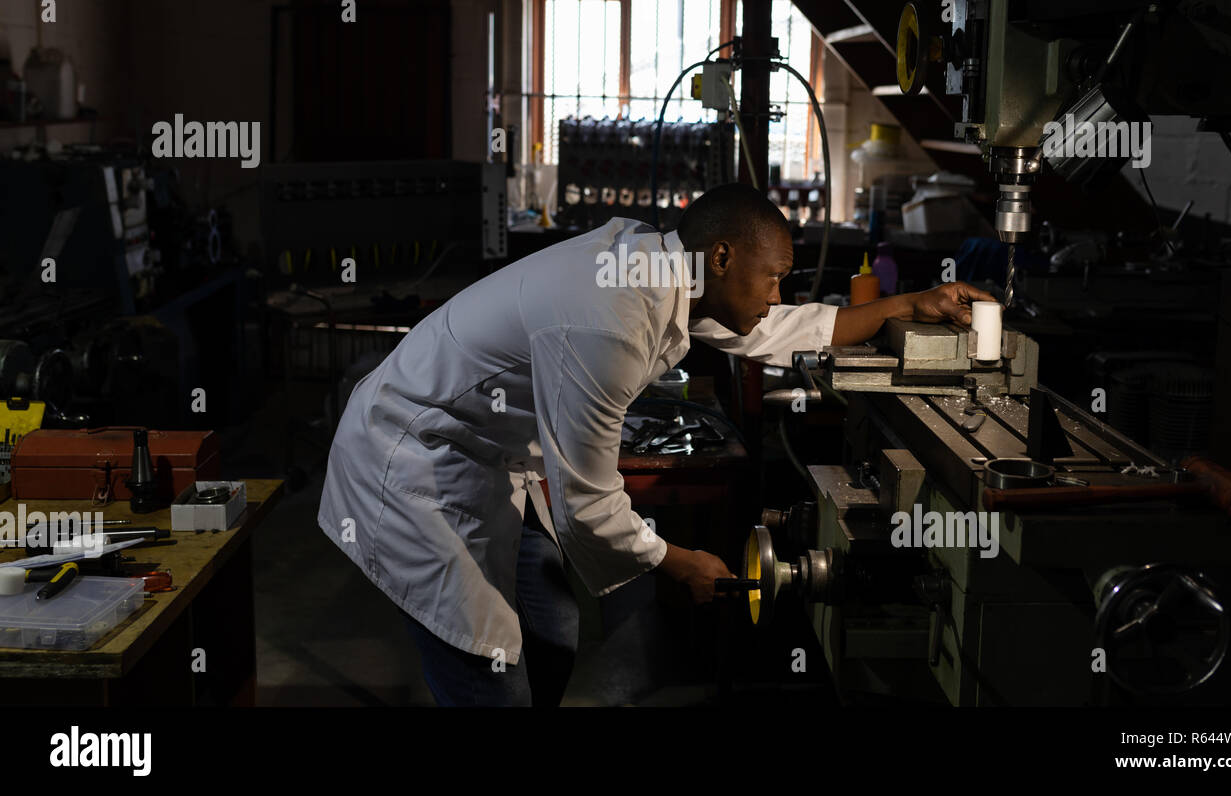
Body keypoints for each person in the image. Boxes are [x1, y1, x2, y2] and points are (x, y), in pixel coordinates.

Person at [318, 183, 994, 705]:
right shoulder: (609, 320)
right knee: (489, 670)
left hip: (485, 456)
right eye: (774, 276)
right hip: (412, 461)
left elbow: (770, 329)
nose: (777, 292)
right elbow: (588, 500)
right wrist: (680, 562)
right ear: (723, 257)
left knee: (551, 628)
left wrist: (907, 305)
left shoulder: (663, 269)